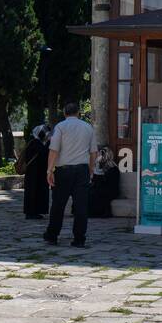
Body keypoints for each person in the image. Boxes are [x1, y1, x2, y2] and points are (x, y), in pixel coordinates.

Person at [43, 103, 95, 247]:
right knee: (81, 206)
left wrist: (49, 170)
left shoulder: (60, 127)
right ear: (78, 113)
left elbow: (54, 150)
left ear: (65, 113)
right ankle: (79, 238)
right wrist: (91, 169)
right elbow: (93, 152)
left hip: (63, 170)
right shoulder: (88, 127)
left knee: (58, 204)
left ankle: (52, 235)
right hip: (82, 170)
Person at [22, 124, 51, 219]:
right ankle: (31, 213)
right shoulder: (36, 143)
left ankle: (35, 211)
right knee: (33, 192)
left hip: (36, 173)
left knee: (35, 191)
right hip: (34, 173)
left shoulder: (33, 142)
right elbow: (43, 155)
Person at [89, 145, 120, 218]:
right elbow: (95, 180)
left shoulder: (113, 168)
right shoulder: (99, 166)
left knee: (98, 193)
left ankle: (99, 213)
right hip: (100, 187)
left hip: (110, 190)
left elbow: (111, 183)